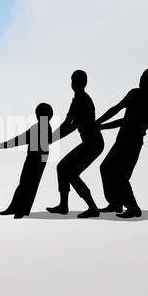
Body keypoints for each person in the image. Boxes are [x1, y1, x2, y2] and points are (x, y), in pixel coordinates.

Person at [96, 68, 148, 219]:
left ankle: (133, 207)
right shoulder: (133, 93)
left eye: (146, 78)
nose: (142, 80)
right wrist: (98, 122)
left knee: (121, 176)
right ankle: (115, 203)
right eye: (142, 76)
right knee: (106, 168)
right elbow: (116, 109)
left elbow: (128, 122)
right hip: (122, 139)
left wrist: (101, 126)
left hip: (133, 142)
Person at [45, 70, 104, 218]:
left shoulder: (82, 100)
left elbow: (68, 125)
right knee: (63, 168)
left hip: (93, 143)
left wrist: (51, 139)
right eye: (72, 80)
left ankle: (92, 208)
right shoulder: (78, 99)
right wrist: (52, 139)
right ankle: (63, 206)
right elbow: (70, 125)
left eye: (75, 80)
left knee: (69, 172)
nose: (73, 83)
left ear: (82, 83)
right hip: (91, 143)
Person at [0, 103, 55, 219]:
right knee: (25, 183)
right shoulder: (42, 127)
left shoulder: (41, 127)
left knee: (29, 185)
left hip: (36, 160)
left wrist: (4, 145)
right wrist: (4, 145)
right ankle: (15, 208)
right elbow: (24, 138)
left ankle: (21, 210)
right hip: (34, 159)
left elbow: (22, 139)